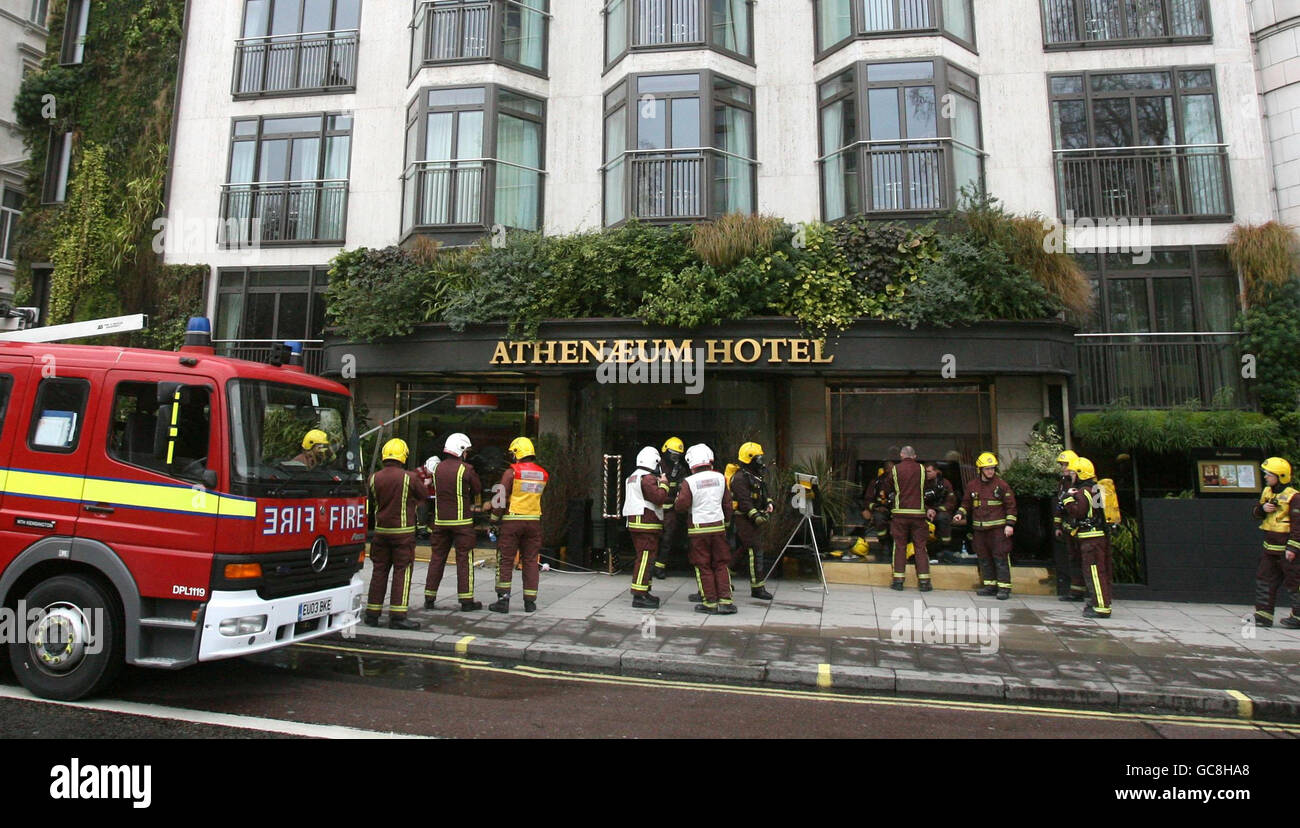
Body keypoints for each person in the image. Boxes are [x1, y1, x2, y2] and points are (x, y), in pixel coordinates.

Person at [365, 438, 427, 630]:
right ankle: (398, 616)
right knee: (402, 572)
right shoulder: (409, 477)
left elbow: (371, 500)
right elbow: (424, 496)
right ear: (403, 456)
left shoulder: (374, 478)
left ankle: (372, 614)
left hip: (381, 533)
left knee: (379, 571)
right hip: (403, 534)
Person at [674, 443, 736, 615]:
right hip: (718, 526)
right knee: (721, 563)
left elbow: (681, 506)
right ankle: (726, 601)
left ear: (691, 463)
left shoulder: (689, 481)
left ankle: (709, 602)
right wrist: (727, 523)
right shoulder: (720, 478)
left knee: (703, 565)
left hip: (698, 529)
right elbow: (727, 504)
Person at [424, 433, 483, 612]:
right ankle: (466, 600)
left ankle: (429, 598)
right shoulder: (467, 469)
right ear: (461, 450)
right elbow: (478, 488)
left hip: (440, 522)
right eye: (466, 451)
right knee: (464, 559)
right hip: (462, 523)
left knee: (437, 558)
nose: (467, 455)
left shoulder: (438, 469)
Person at [490, 437, 549, 614]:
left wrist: (494, 518)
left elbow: (499, 497)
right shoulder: (543, 474)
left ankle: (503, 600)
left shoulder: (511, 473)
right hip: (534, 521)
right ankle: (530, 602)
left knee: (506, 559)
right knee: (531, 560)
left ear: (517, 453)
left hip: (513, 521)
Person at [953, 452, 1018, 600]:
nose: (990, 471)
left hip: (997, 529)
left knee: (1000, 557)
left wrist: (1010, 525)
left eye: (992, 468)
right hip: (980, 530)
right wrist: (960, 513)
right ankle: (990, 585)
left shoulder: (1001, 485)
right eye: (987, 468)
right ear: (980, 469)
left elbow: (1011, 507)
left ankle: (1004, 587)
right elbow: (966, 503)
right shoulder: (972, 485)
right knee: (984, 558)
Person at [1060, 456, 1111, 618]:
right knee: (1101, 571)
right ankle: (1100, 601)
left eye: (1074, 473)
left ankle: (1101, 607)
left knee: (1094, 572)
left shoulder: (1084, 492)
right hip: (1099, 535)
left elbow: (1078, 512)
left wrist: (1067, 499)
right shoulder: (1096, 489)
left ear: (1081, 474)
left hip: (1090, 539)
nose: (1072, 476)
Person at [1252, 457, 1300, 629]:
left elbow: (1298, 525)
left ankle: (1298, 617)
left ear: (1280, 476)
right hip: (1269, 547)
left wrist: (1293, 547)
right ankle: (1263, 615)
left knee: (1295, 582)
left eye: (1269, 474)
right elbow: (1256, 513)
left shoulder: (1294, 497)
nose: (1266, 477)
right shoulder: (1267, 492)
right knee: (1264, 580)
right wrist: (1262, 509)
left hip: (1287, 549)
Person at [624, 446, 671, 608]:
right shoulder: (647, 478)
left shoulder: (633, 476)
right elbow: (658, 498)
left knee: (644, 558)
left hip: (636, 522)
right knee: (645, 559)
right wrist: (664, 484)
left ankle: (644, 590)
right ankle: (639, 595)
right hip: (647, 523)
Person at [882, 446, 931, 591]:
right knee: (920, 547)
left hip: (900, 514)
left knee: (900, 546)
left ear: (901, 455)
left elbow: (887, 486)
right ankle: (924, 582)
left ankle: (898, 581)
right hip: (918, 514)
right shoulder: (922, 469)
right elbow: (925, 487)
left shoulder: (895, 469)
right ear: (914, 456)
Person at [732, 442, 775, 600]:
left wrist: (769, 504)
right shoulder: (739, 478)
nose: (761, 462)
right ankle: (758, 587)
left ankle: (726, 572)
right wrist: (755, 516)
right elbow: (744, 501)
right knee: (755, 549)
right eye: (758, 459)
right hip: (742, 518)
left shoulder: (757, 476)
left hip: (753, 517)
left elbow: (765, 492)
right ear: (749, 460)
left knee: (744, 548)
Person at [1053, 449, 1087, 601]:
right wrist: (1057, 526)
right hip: (1069, 527)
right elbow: (1060, 505)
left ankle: (1092, 594)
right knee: (1073, 559)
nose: (1063, 468)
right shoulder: (1063, 482)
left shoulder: (1084, 484)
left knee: (1085, 561)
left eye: (1065, 465)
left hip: (1084, 529)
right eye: (1062, 465)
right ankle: (1076, 591)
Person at [654, 437, 687, 580]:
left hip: (671, 510)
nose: (675, 457)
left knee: (667, 538)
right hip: (656, 508)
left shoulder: (680, 469)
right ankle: (651, 565)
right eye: (672, 454)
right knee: (654, 537)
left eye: (677, 455)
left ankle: (660, 567)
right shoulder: (656, 466)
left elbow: (683, 485)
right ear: (665, 451)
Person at [861, 446, 900, 563]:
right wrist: (877, 507)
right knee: (879, 518)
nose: (890, 471)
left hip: (898, 511)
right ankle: (885, 543)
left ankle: (897, 547)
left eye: (892, 469)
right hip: (881, 511)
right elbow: (868, 500)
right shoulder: (876, 482)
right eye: (888, 468)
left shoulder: (902, 482)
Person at [924, 462, 956, 559]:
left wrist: (936, 510)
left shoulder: (945, 483)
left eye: (929, 471)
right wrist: (928, 510)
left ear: (936, 471)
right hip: (925, 511)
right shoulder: (921, 483)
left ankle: (944, 548)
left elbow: (951, 502)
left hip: (940, 512)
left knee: (943, 518)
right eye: (925, 472)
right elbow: (917, 499)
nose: (926, 474)